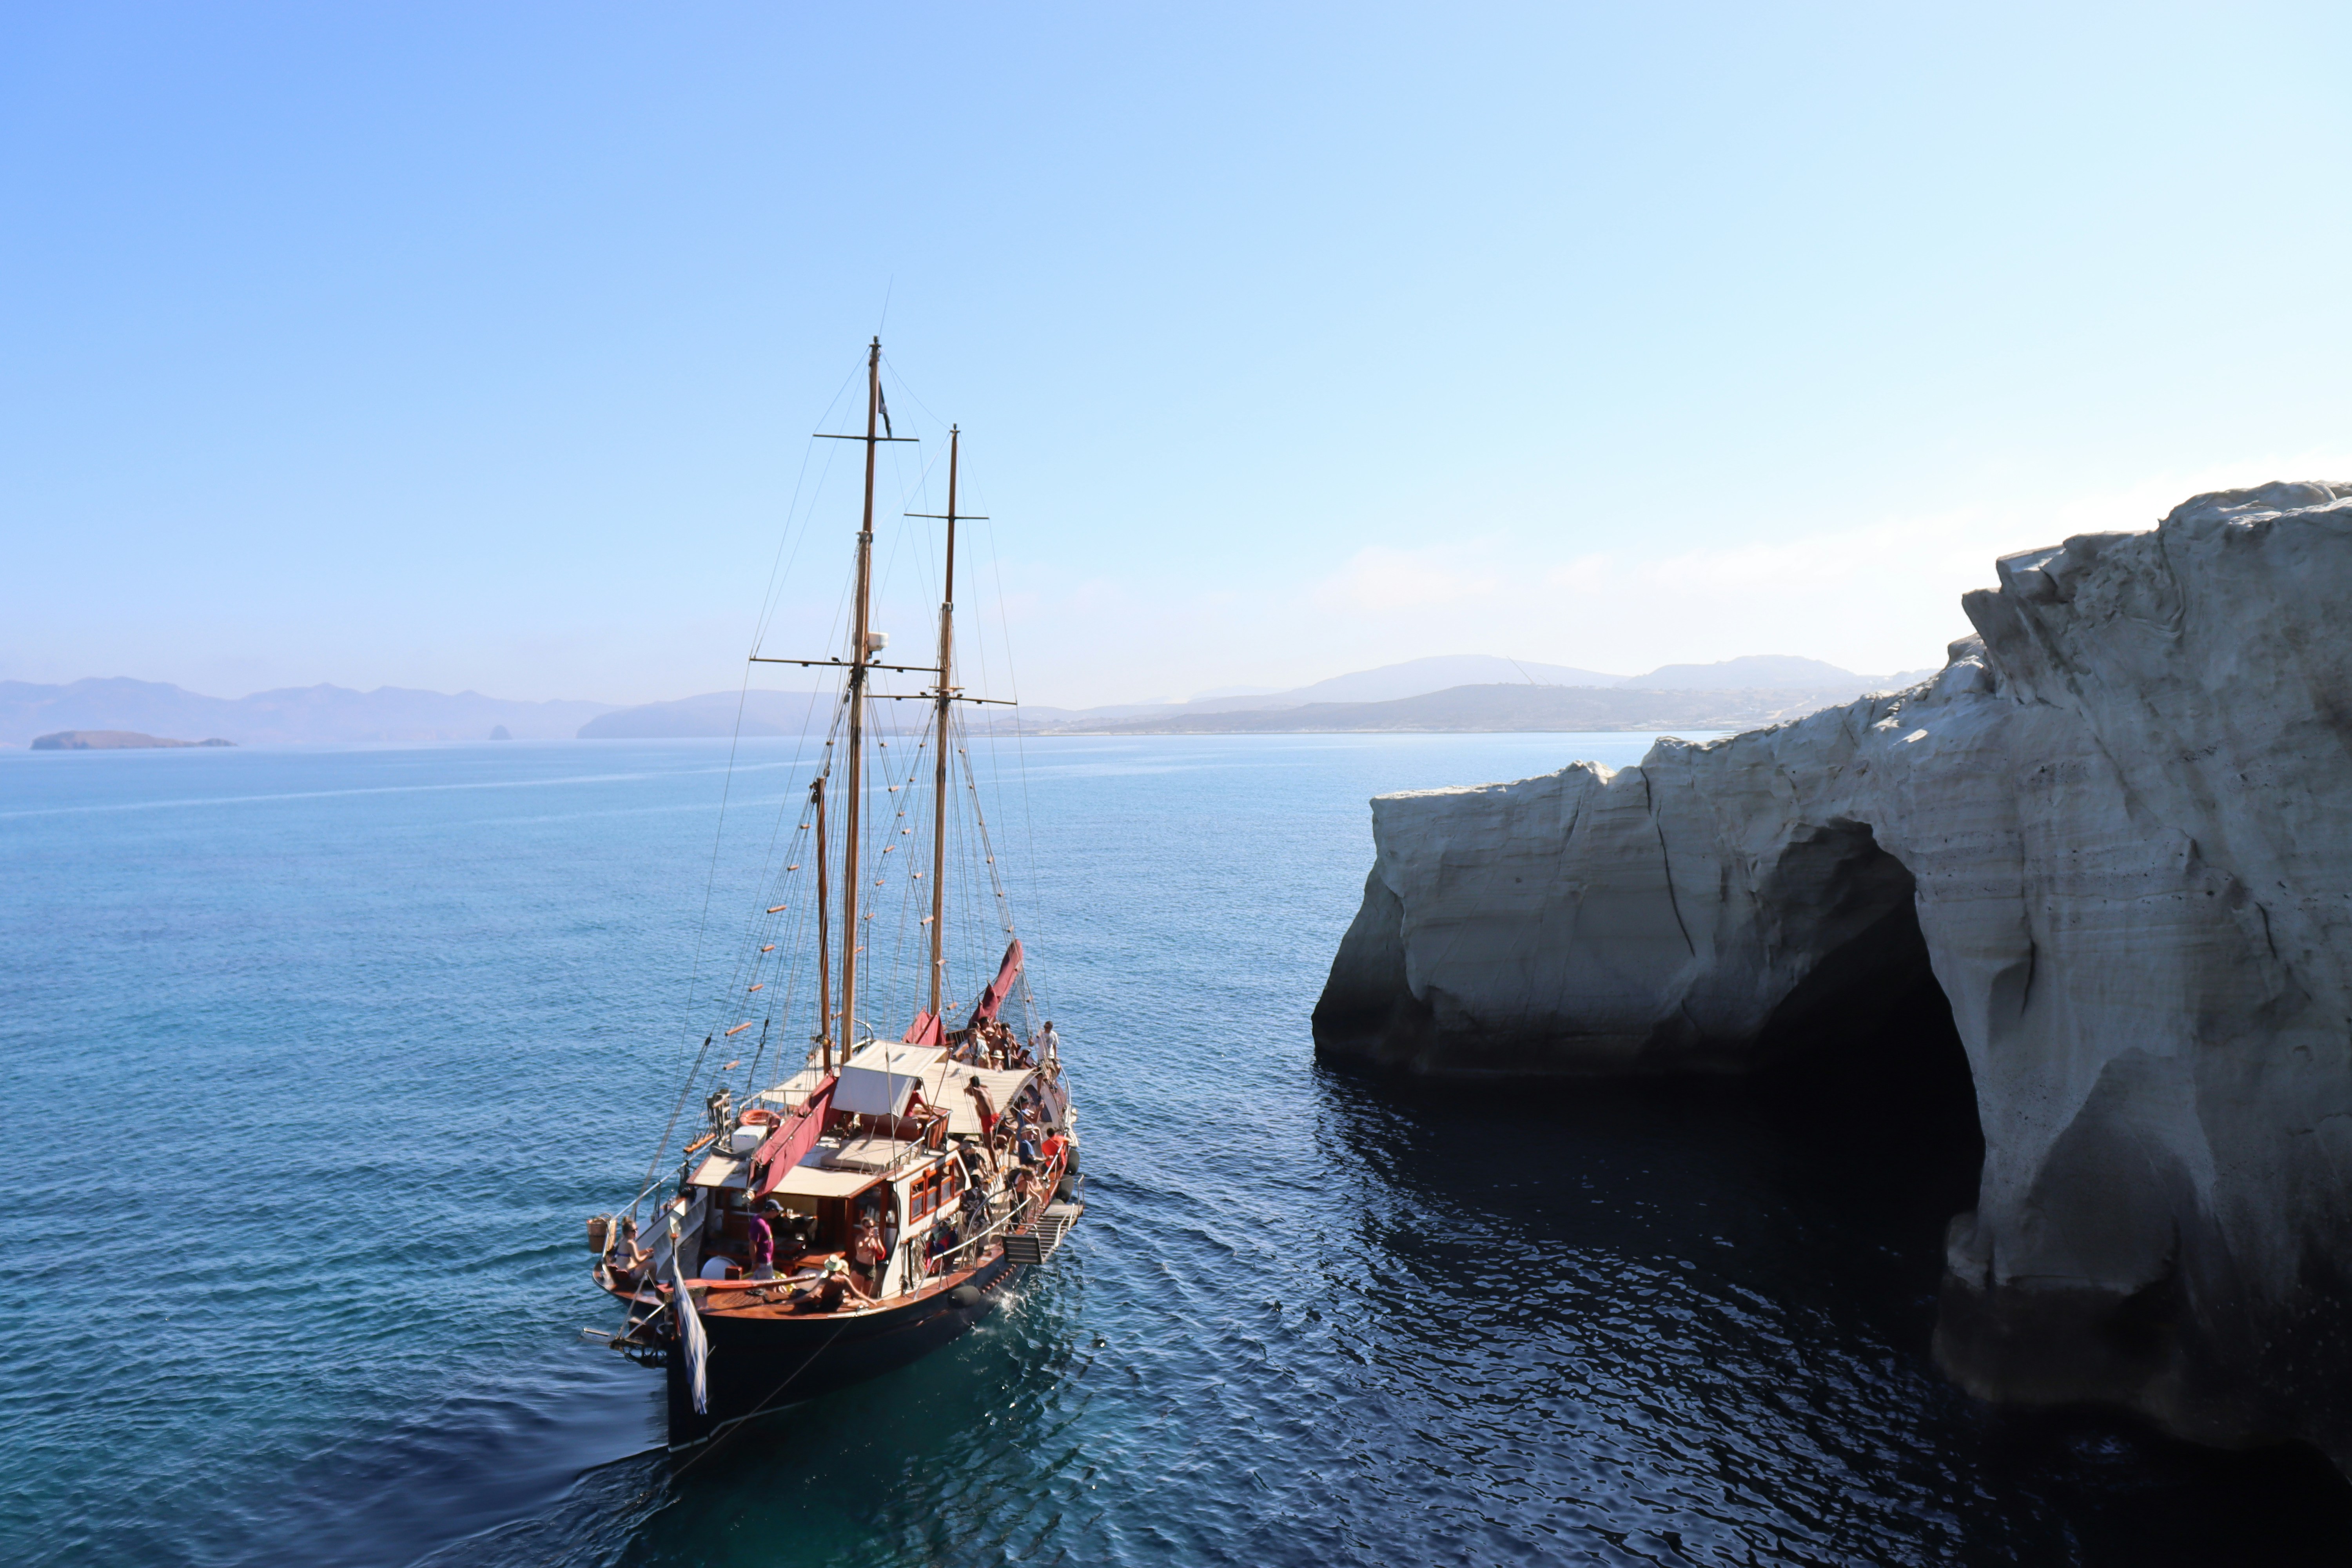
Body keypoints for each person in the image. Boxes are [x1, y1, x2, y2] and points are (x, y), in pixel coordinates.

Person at [791, 1255, 873, 1313]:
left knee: (800, 1292)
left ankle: (792, 1297)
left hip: (823, 1307)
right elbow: (857, 1294)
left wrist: (792, 1302)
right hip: (833, 1306)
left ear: (828, 1268)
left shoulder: (824, 1282)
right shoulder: (844, 1280)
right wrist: (871, 1301)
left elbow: (812, 1296)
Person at [744, 1201, 779, 1281]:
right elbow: (753, 1243)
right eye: (777, 1212)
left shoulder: (762, 1221)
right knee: (769, 1284)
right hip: (763, 1262)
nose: (778, 1214)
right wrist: (755, 1262)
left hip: (766, 1261)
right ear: (772, 1211)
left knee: (765, 1284)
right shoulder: (759, 1223)